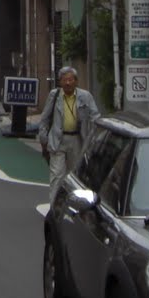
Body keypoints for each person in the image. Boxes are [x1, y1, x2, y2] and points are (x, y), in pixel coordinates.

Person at [34, 67, 99, 203]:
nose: (67, 83)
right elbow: (45, 118)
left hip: (77, 140)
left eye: (70, 80)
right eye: (64, 80)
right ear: (60, 82)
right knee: (57, 175)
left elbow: (95, 117)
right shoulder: (55, 95)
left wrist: (92, 139)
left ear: (76, 81)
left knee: (75, 177)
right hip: (58, 140)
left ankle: (73, 207)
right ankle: (54, 208)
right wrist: (43, 138)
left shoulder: (85, 96)